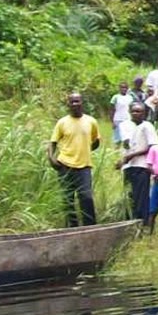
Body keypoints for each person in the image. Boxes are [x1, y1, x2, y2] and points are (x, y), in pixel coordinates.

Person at [48, 93, 101, 227]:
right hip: (64, 166)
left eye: (77, 101)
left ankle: (90, 228)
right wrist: (51, 158)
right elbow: (53, 142)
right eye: (72, 102)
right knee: (68, 199)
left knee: (86, 198)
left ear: (82, 103)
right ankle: (72, 228)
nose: (74, 104)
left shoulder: (91, 121)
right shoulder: (62, 122)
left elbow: (96, 141)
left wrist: (84, 150)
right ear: (68, 104)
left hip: (84, 167)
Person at [117, 102, 157, 223]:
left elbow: (151, 146)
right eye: (133, 111)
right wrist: (123, 160)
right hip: (129, 166)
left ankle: (142, 221)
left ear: (144, 113)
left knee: (141, 196)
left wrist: (132, 155)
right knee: (130, 195)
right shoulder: (125, 126)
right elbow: (126, 144)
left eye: (139, 111)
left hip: (141, 165)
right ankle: (130, 221)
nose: (136, 113)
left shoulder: (147, 126)